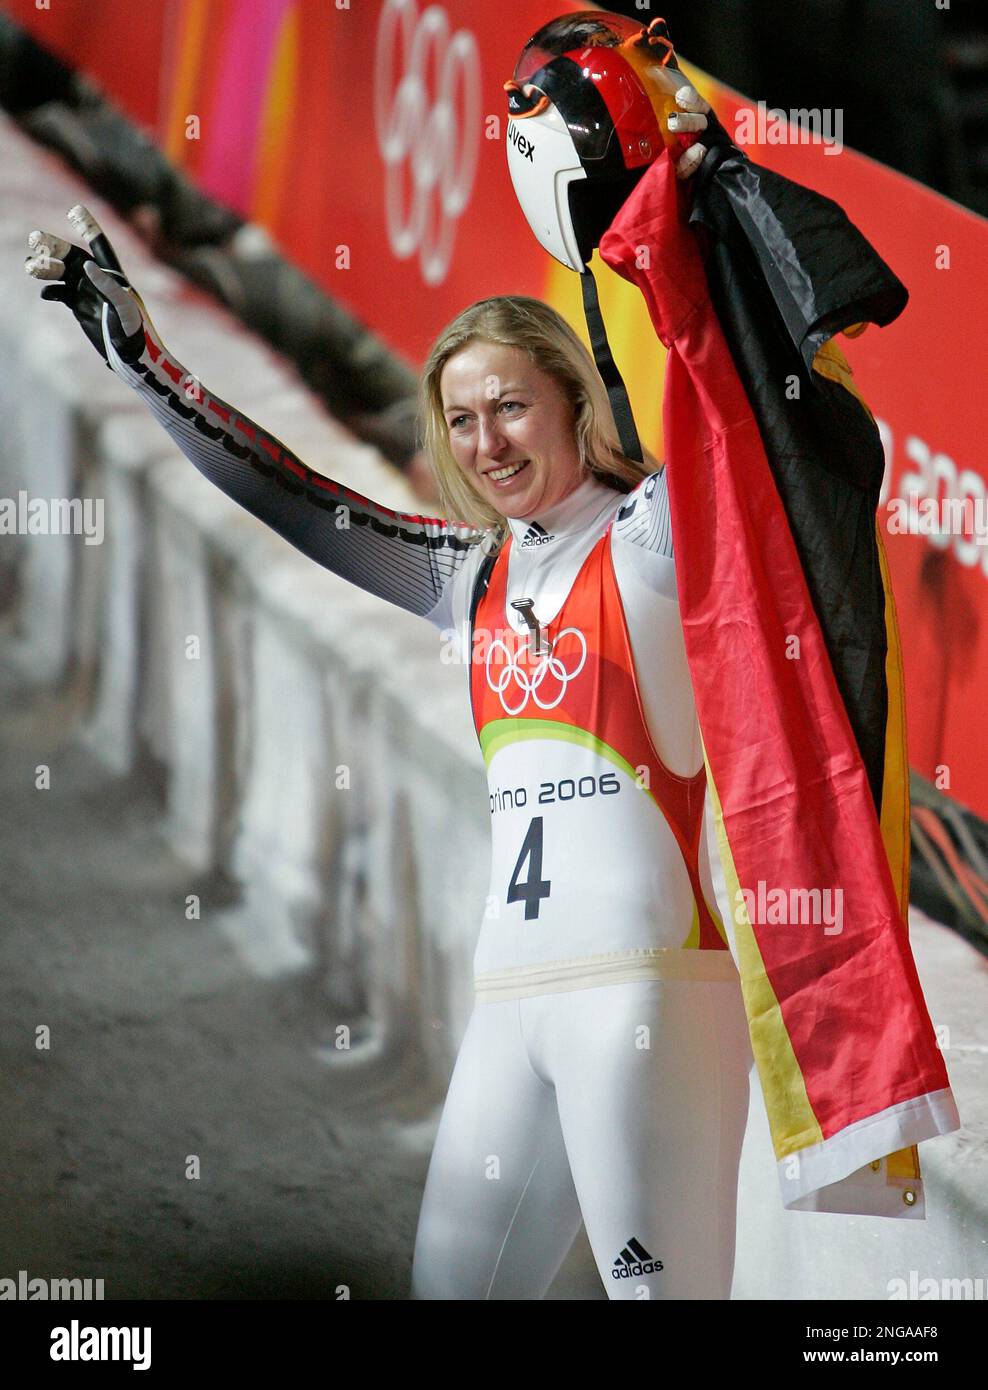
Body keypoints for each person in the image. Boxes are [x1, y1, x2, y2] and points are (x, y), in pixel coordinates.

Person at [25, 147, 753, 1300]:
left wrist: (693, 213)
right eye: (461, 419)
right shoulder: (461, 575)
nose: (488, 443)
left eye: (512, 406)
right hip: (510, 1002)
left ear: (575, 397)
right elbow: (299, 499)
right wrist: (145, 362)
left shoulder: (652, 537)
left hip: (648, 995)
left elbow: (730, 410)